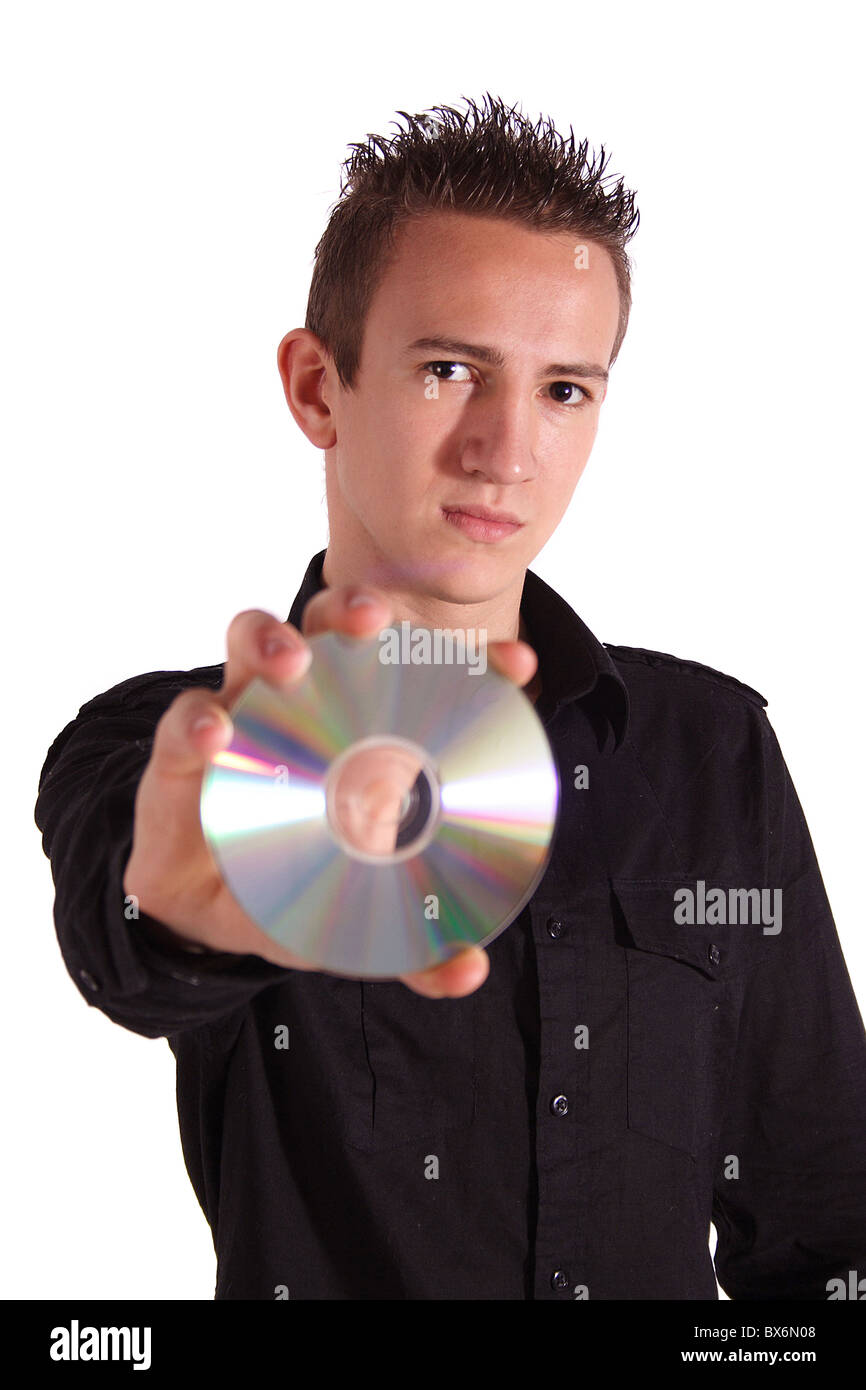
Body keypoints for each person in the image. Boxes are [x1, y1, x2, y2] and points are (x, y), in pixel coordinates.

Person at [35, 95, 866, 1301]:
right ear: (320, 388)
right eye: (447, 369)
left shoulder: (708, 748)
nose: (506, 449)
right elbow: (137, 937)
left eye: (564, 390)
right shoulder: (171, 743)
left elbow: (827, 1220)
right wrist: (207, 911)